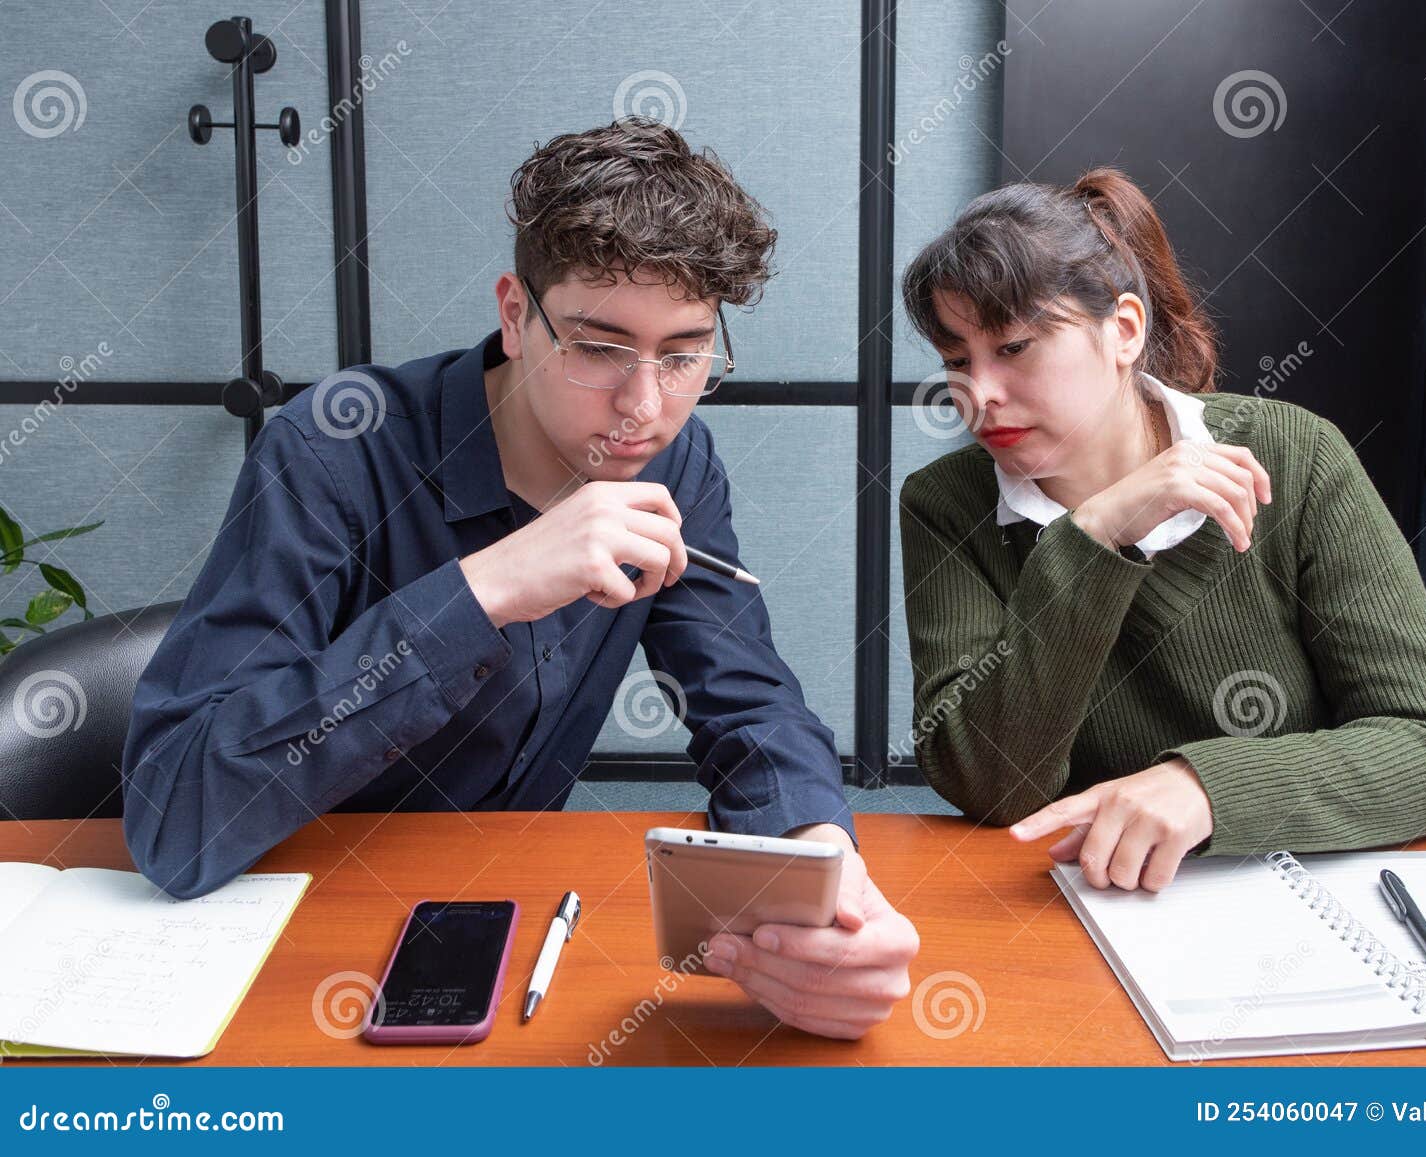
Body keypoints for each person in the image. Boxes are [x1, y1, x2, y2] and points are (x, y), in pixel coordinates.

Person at [122, 118, 916, 1039]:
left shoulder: (675, 459)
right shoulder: (332, 450)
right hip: (282, 934)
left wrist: (814, 858)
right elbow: (176, 816)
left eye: (686, 352)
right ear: (514, 312)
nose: (645, 406)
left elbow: (748, 701)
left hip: (507, 927)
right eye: (599, 346)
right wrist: (481, 592)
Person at [897, 167, 1426, 893]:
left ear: (1122, 330)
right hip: (1092, 902)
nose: (979, 393)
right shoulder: (946, 504)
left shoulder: (1294, 454)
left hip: (1303, 895)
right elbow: (988, 781)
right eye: (958, 362)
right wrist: (1092, 537)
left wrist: (1206, 788)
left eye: (1015, 348)